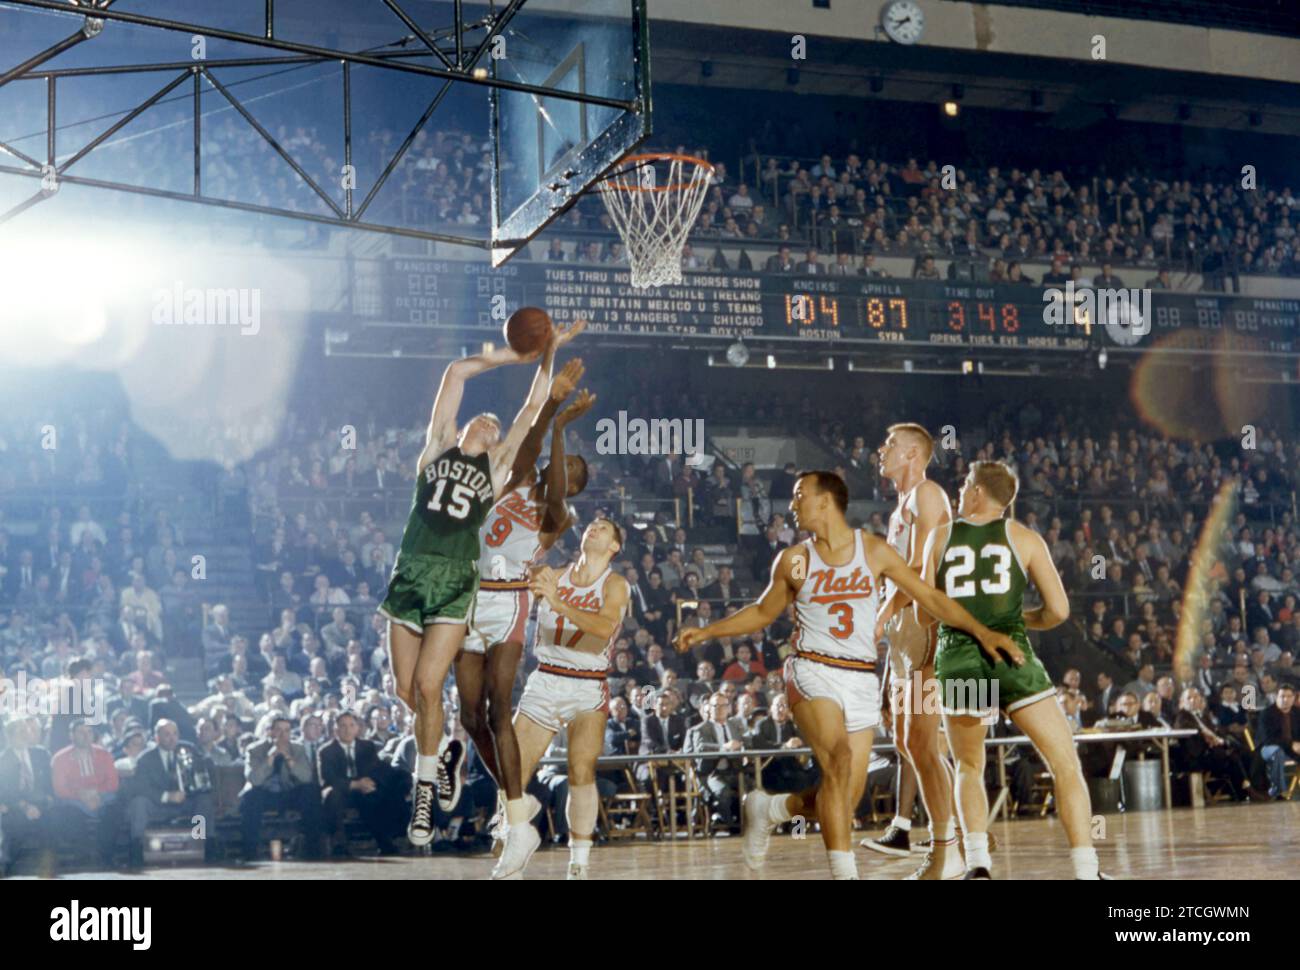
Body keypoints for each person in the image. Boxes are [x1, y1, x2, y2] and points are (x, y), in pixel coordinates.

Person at [676, 470, 1020, 879]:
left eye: (799, 495)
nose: (791, 504)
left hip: (860, 677)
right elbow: (763, 612)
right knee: (838, 760)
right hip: (810, 670)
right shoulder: (795, 559)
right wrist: (708, 630)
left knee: (841, 795)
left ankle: (770, 808)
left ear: (826, 501)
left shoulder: (873, 551)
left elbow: (927, 595)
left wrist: (980, 630)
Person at [379, 322, 583, 847]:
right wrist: (510, 356)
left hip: (456, 582)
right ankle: (446, 754)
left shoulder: (495, 472)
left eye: (496, 425)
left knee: (430, 687)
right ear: (466, 427)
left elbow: (532, 411)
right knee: (408, 691)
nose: (492, 424)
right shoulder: (436, 449)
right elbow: (455, 372)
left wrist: (548, 353)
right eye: (485, 420)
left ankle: (424, 794)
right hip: (409, 573)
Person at [920, 460, 1102, 879]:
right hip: (1013, 655)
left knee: (968, 765)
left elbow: (923, 610)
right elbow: (1059, 610)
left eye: (966, 485)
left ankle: (978, 864)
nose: (961, 492)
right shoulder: (1024, 538)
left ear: (979, 492)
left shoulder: (940, 537)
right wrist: (1022, 621)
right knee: (1065, 763)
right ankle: (1086, 870)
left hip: (961, 656)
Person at [458, 379, 594, 852]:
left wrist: (561, 428)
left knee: (498, 710)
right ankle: (519, 795)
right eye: (564, 460)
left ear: (572, 486)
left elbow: (553, 479)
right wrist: (551, 404)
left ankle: (515, 803)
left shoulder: (559, 516)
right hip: (470, 595)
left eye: (569, 469)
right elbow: (530, 445)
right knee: (469, 714)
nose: (560, 467)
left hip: (509, 602)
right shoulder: (515, 481)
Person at [493, 518, 629, 879]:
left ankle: (579, 863)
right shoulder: (551, 574)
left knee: (580, 770)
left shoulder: (615, 585)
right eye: (591, 526)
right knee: (511, 772)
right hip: (547, 678)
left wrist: (556, 601)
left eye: (604, 529)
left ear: (615, 547)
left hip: (588, 682)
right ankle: (514, 849)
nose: (594, 529)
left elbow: (603, 629)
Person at [862, 423, 959, 879]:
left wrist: (882, 613)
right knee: (906, 741)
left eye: (891, 445)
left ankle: (949, 845)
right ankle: (955, 831)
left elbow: (921, 569)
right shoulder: (900, 505)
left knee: (921, 740)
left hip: (929, 626)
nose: (881, 450)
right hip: (905, 633)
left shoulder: (927, 494)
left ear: (915, 454)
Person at [125, 719, 217, 869]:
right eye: (167, 734)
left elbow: (203, 770)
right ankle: (137, 848)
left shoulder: (189, 750)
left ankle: (206, 844)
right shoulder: (146, 758)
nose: (172, 738)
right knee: (139, 803)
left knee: (204, 800)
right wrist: (167, 796)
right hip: (158, 804)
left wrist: (195, 782)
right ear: (157, 738)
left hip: (186, 801)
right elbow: (141, 787)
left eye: (175, 734)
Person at [317, 711, 409, 855]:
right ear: (336, 729)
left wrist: (368, 782)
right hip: (341, 790)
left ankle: (384, 841)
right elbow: (328, 778)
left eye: (351, 725)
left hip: (363, 789)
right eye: (343, 726)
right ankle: (339, 844)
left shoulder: (367, 746)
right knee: (332, 795)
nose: (347, 729)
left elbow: (374, 768)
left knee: (375, 793)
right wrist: (354, 784)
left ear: (357, 728)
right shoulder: (326, 751)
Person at [238, 716, 324, 861]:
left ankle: (313, 849)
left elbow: (306, 777)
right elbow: (254, 779)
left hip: (288, 793)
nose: (283, 735)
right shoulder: (255, 749)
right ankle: (250, 851)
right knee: (251, 796)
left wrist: (289, 759)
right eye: (278, 730)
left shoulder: (297, 748)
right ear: (270, 732)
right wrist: (270, 758)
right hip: (264, 793)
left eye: (287, 730)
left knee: (311, 791)